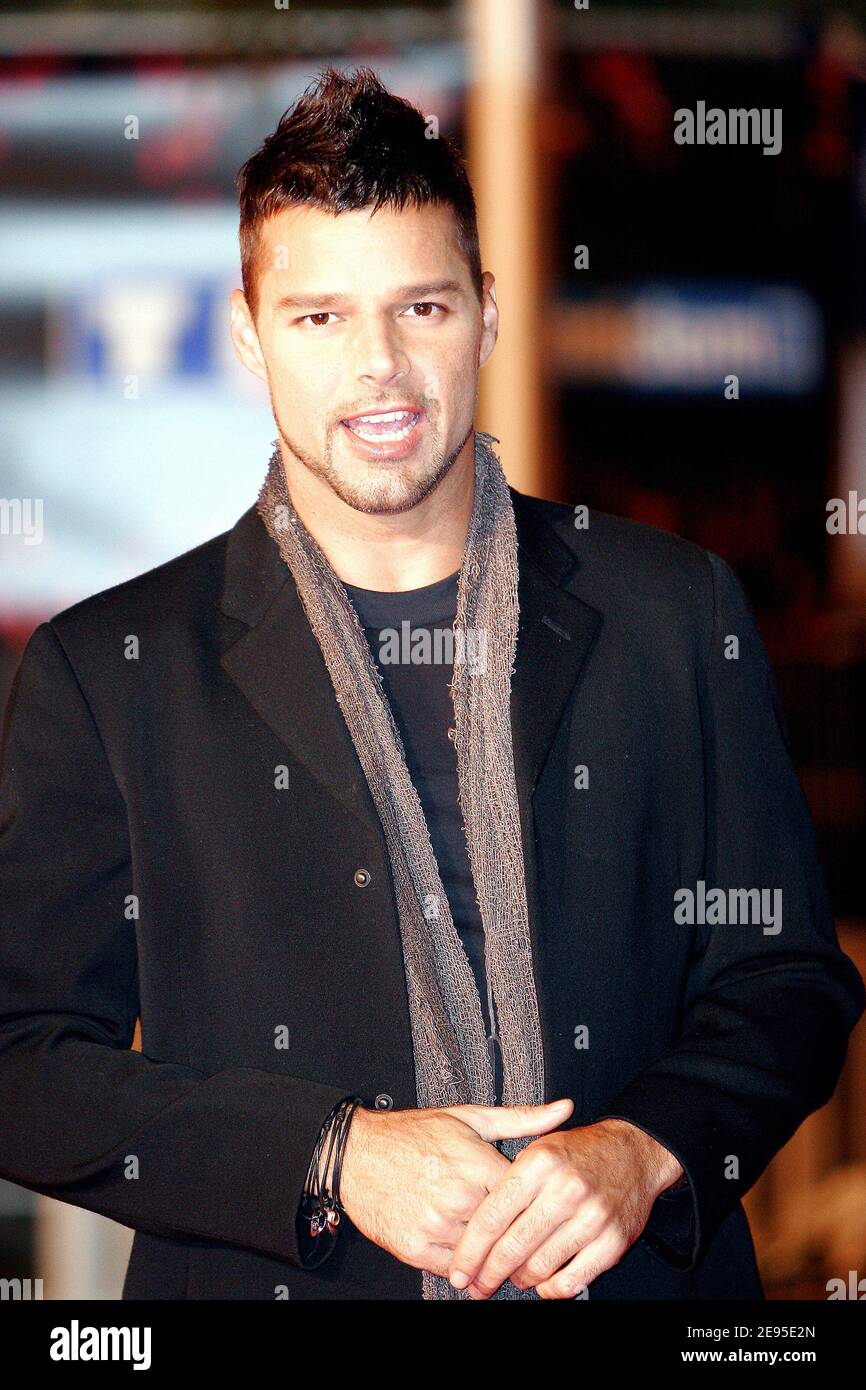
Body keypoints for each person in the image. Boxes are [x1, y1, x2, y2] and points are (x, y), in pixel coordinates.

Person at [0, 66, 862, 1303]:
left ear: (488, 314)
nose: (381, 372)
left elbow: (784, 977)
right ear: (248, 336)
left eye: (421, 308)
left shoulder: (671, 615)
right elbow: (22, 1060)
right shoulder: (113, 671)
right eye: (319, 318)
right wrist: (329, 1156)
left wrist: (643, 1148)